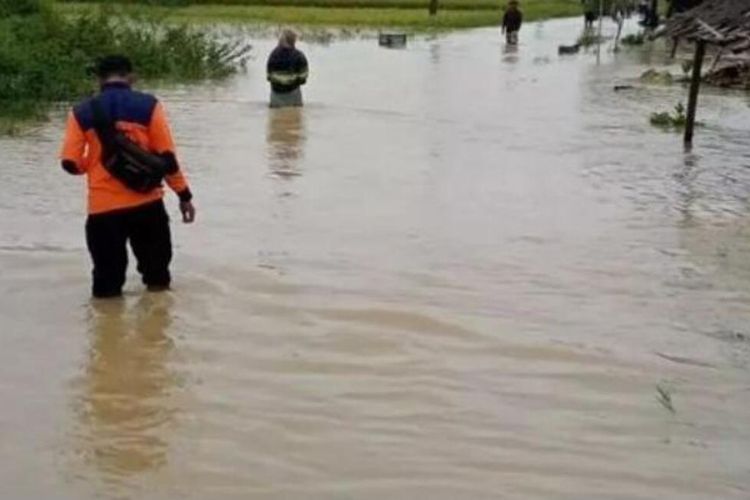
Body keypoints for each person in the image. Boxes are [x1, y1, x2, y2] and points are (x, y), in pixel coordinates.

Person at [59, 55, 196, 299]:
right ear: (131, 77)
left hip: (103, 210)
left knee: (106, 285)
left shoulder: (80, 113)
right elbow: (167, 158)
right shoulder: (149, 106)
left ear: (98, 79)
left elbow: (70, 163)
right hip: (147, 205)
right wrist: (184, 195)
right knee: (157, 280)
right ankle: (156, 331)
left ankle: (108, 332)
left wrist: (94, 164)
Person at [266, 30, 309, 108]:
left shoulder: (273, 55)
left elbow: (269, 76)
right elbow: (303, 79)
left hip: (276, 94)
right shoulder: (299, 56)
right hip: (294, 94)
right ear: (294, 41)